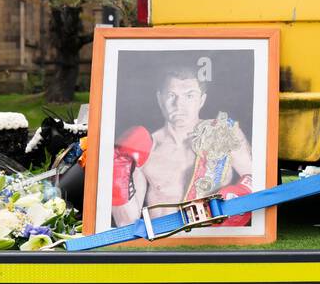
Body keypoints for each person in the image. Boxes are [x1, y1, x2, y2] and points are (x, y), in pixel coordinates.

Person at [109, 65, 255, 230]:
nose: (179, 104)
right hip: (163, 242)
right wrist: (118, 170)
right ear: (159, 99)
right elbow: (126, 223)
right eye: (171, 95)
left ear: (202, 100)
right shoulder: (145, 149)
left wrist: (237, 196)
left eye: (189, 96)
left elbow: (260, 179)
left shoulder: (224, 135)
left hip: (214, 241)